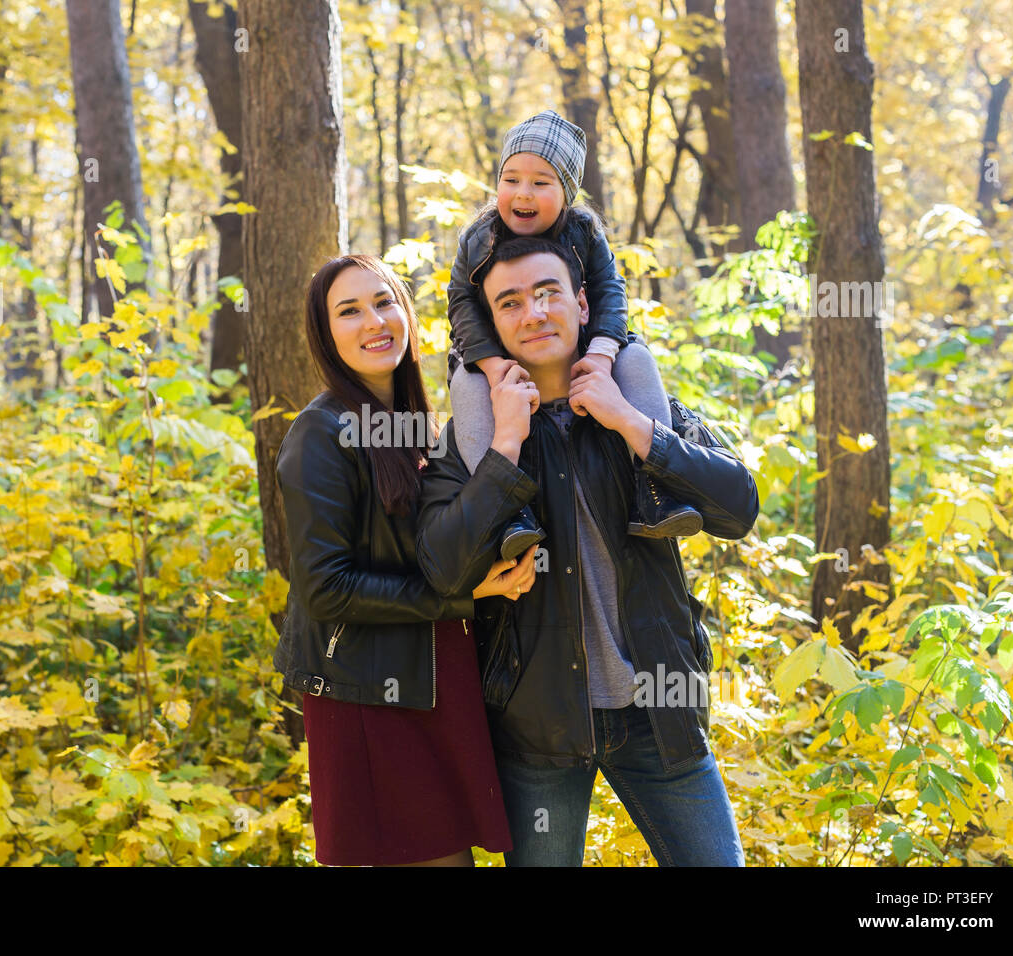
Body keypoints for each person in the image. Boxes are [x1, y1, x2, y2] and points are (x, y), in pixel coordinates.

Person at [417, 236, 761, 867]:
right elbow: (442, 568)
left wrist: (632, 425)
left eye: (548, 293)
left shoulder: (641, 404)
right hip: (537, 727)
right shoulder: (472, 440)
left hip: (661, 713)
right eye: (511, 302)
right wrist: (507, 449)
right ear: (492, 326)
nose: (534, 313)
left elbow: (738, 506)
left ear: (581, 303)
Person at [273, 253, 540, 867]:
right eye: (350, 310)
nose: (375, 320)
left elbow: (431, 548)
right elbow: (324, 589)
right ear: (326, 333)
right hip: (367, 694)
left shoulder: (414, 424)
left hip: (432, 677)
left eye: (385, 302)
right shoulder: (322, 433)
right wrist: (466, 599)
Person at [447, 108, 702, 560]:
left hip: (585, 348)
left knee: (636, 359)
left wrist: (603, 354)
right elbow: (461, 302)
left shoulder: (584, 231)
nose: (523, 193)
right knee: (465, 387)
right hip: (495, 355)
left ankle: (657, 490)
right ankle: (508, 511)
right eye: (511, 179)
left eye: (541, 182)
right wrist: (488, 364)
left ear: (566, 194)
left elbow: (610, 290)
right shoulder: (479, 237)